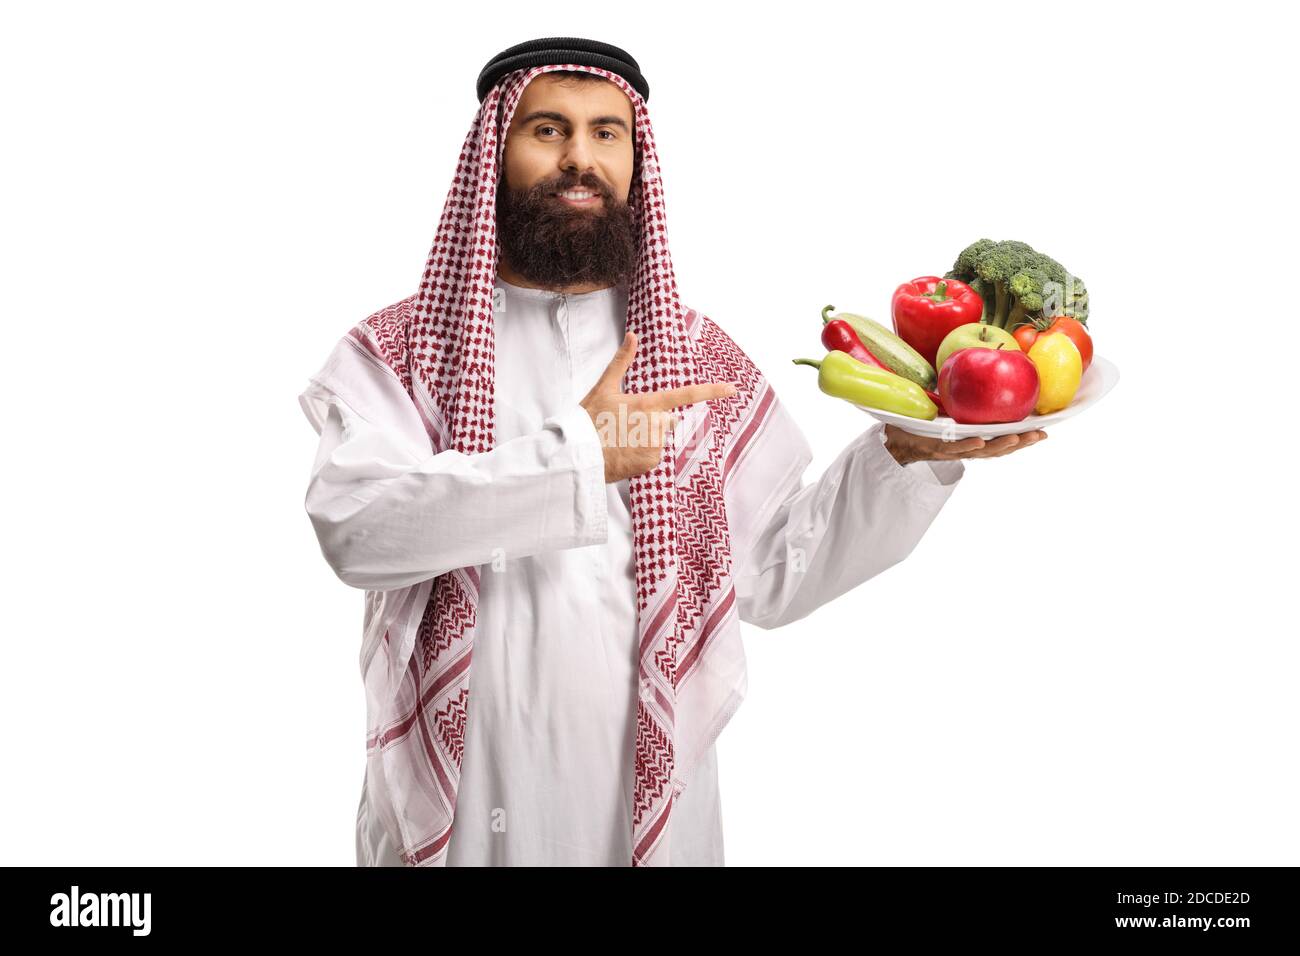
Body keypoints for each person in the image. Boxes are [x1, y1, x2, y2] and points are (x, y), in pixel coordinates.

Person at [297, 38, 1046, 867]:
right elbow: (359, 530)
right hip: (466, 812)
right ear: (494, 154)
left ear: (635, 160)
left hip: (644, 819)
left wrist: (905, 456)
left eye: (606, 133)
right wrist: (583, 455)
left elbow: (772, 573)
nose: (580, 158)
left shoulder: (693, 358)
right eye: (547, 130)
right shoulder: (401, 352)